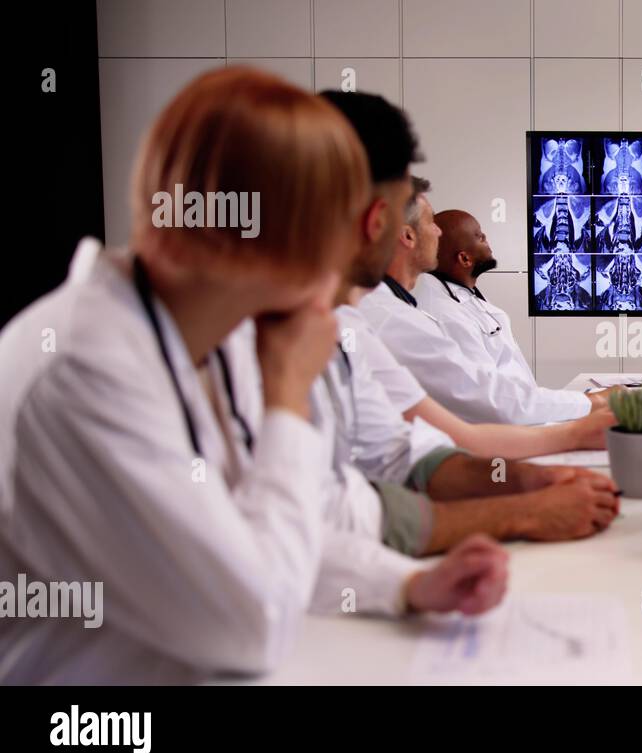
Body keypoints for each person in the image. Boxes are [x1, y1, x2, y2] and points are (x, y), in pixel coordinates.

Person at [0, 68, 505, 684]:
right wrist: (288, 398)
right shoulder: (84, 369)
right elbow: (251, 623)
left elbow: (273, 525)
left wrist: (406, 583)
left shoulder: (222, 337)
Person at [314, 91, 622, 556]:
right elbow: (319, 526)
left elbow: (409, 453)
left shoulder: (348, 324)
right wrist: (523, 508)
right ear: (385, 222)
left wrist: (536, 478)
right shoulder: (361, 318)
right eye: (422, 216)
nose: (436, 232)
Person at [343, 176, 616, 456]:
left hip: (506, 431)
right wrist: (585, 411)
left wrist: (574, 421)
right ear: (407, 236)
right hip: (503, 435)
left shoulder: (392, 310)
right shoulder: (395, 318)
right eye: (430, 222)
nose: (437, 232)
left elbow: (464, 423)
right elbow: (488, 399)